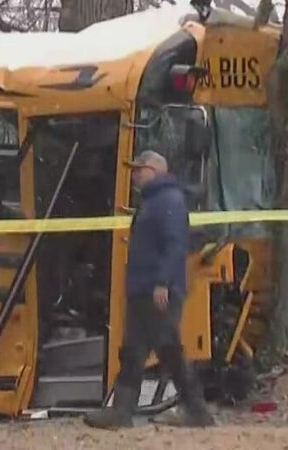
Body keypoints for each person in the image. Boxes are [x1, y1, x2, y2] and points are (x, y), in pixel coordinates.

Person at [84, 150, 214, 429]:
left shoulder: (168, 201)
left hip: (158, 292)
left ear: (155, 170)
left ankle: (197, 411)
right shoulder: (153, 202)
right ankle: (121, 412)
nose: (134, 175)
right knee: (132, 352)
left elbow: (175, 245)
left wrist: (162, 282)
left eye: (139, 169)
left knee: (170, 353)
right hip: (143, 291)